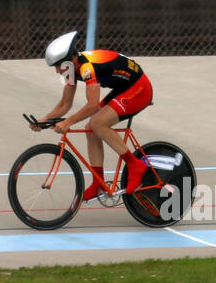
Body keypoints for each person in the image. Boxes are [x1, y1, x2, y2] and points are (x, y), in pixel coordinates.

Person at [32, 30, 154, 201]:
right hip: (123, 88)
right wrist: (43, 120)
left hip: (139, 88)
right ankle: (99, 183)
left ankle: (135, 165)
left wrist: (68, 122)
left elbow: (91, 105)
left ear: (71, 59)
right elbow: (65, 104)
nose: (58, 71)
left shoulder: (88, 67)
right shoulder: (71, 69)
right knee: (91, 128)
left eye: (59, 66)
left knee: (97, 123)